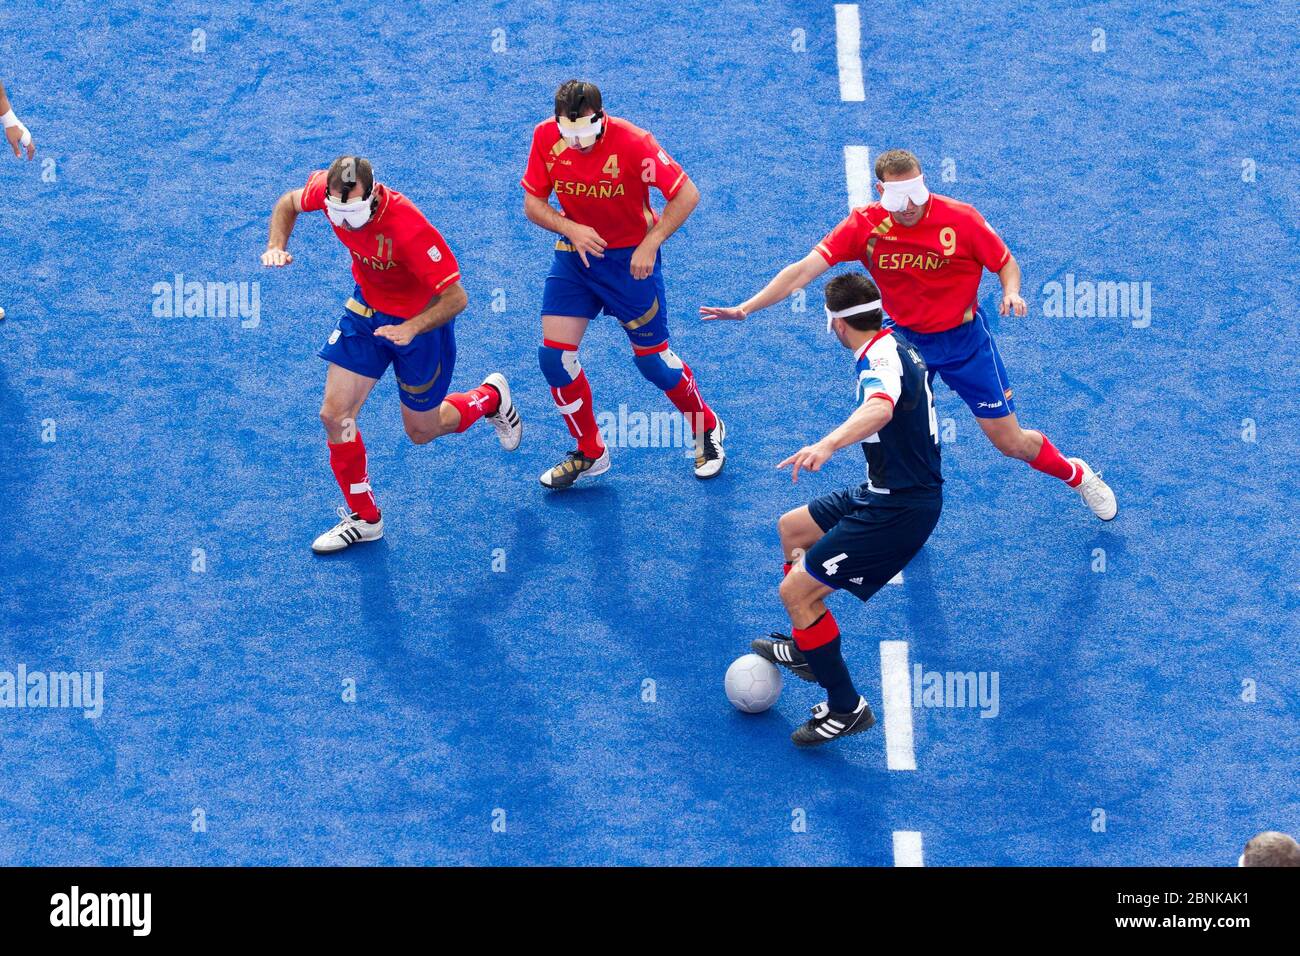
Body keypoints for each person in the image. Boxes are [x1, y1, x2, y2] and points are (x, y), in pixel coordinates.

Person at [701, 148, 1116, 521]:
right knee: (895, 435)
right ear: (881, 191)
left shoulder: (961, 219)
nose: (911, 209)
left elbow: (1005, 262)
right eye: (900, 202)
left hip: (964, 342)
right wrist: (746, 308)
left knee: (1010, 442)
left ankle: (1077, 475)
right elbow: (803, 269)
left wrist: (1011, 292)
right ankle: (899, 514)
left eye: (917, 197)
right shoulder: (865, 225)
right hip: (904, 344)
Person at [261, 156, 522, 553]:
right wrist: (277, 246)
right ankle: (365, 518)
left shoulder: (407, 226)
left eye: (352, 212)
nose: (344, 221)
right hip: (366, 312)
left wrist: (411, 328)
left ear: (374, 195)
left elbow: (456, 297)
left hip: (420, 325)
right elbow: (288, 203)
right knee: (335, 416)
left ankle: (489, 397)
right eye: (337, 211)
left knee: (422, 431)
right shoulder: (327, 193)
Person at [751, 272, 942, 747]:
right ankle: (804, 647)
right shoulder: (890, 341)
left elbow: (879, 407)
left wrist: (828, 444)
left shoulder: (876, 361)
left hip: (899, 509)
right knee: (792, 529)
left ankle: (846, 707)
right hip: (883, 488)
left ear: (836, 324)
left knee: (797, 594)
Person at [521, 79, 724, 488]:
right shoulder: (546, 137)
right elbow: (533, 204)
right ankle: (591, 452)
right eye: (568, 131)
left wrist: (651, 243)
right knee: (554, 358)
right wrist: (570, 229)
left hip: (631, 263)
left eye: (583, 132)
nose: (576, 142)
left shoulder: (635, 143)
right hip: (576, 256)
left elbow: (686, 194)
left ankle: (707, 428)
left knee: (653, 362)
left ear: (600, 116)